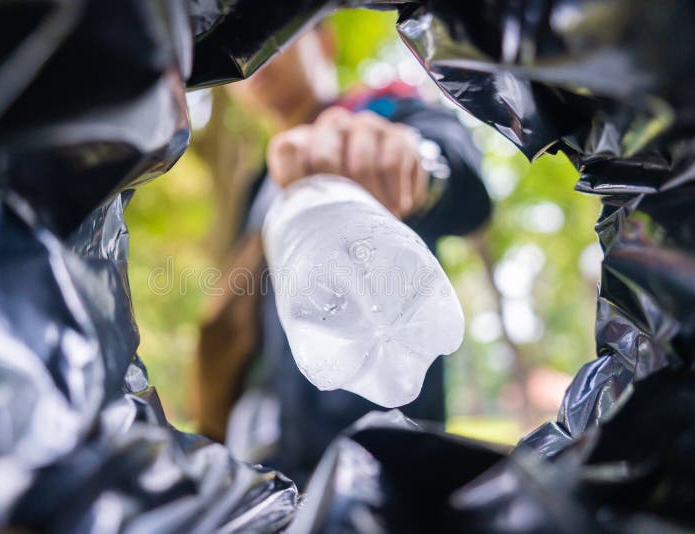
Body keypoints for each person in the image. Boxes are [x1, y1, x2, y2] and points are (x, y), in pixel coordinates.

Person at [193, 23, 491, 486]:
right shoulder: (256, 186)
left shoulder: (388, 111)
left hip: (372, 456)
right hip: (255, 455)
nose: (254, 67)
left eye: (267, 44)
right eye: (238, 61)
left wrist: (414, 166)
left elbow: (465, 187)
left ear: (324, 41)